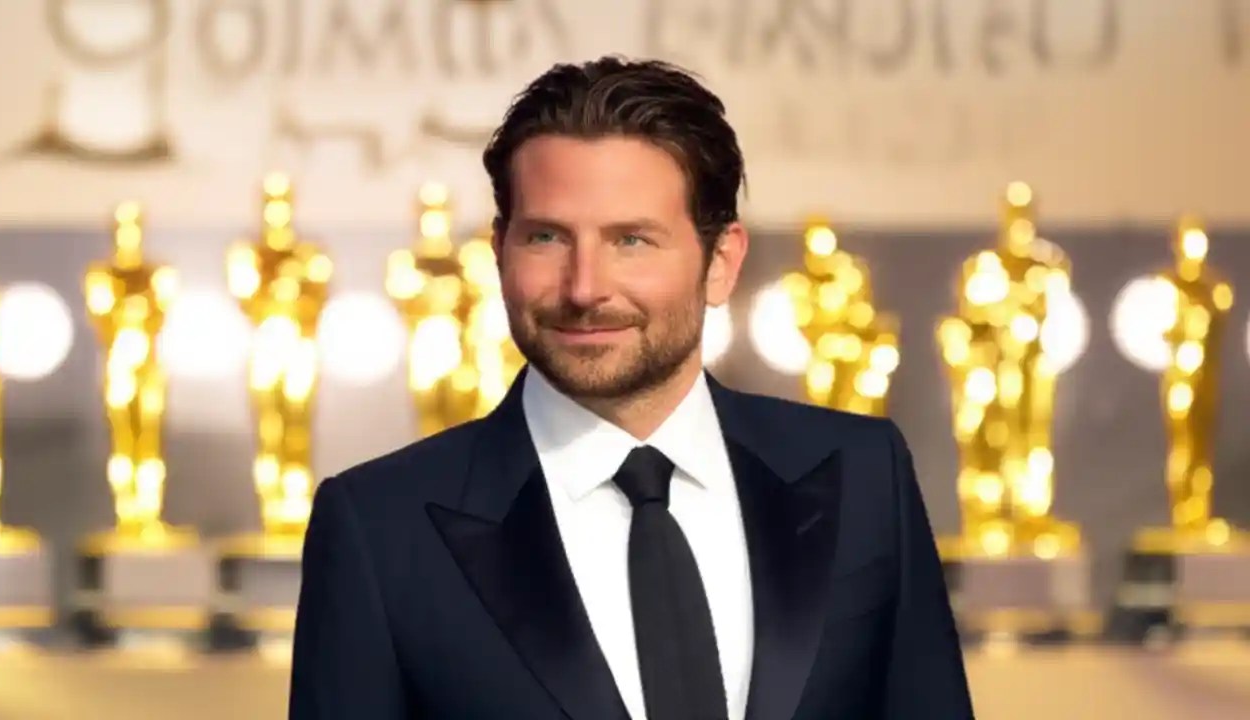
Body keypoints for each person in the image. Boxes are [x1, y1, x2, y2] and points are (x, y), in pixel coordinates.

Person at [289, 56, 974, 720]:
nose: (585, 288)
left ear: (721, 261)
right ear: (499, 252)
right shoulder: (380, 530)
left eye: (631, 241)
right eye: (547, 237)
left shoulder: (864, 477)